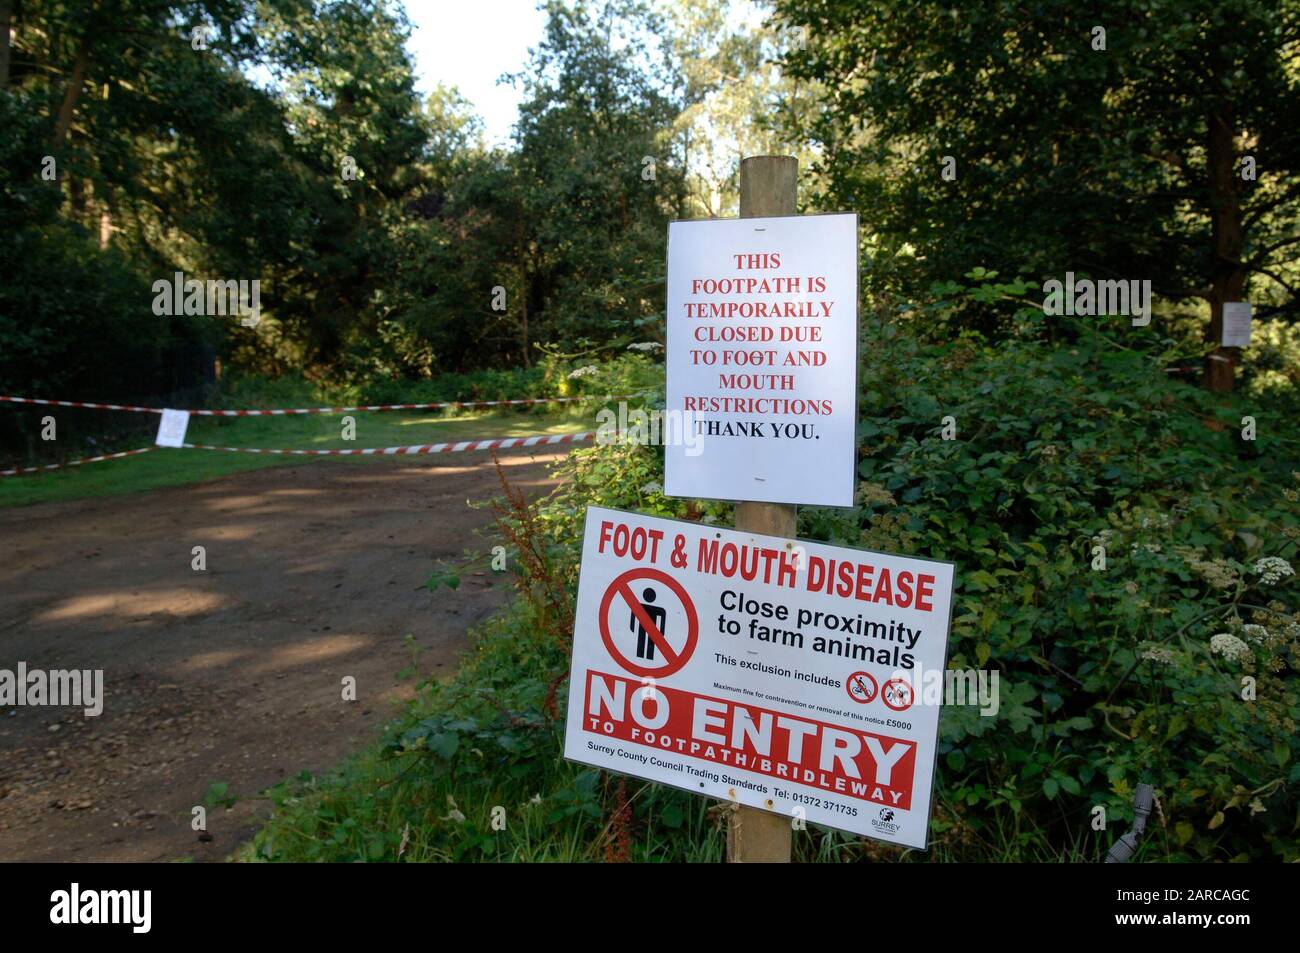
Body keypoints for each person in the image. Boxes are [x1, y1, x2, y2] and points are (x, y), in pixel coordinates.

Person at [630, 587, 666, 660]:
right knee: (643, 642)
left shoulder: (657, 609)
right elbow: (633, 614)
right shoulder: (657, 609)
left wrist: (632, 627)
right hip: (646, 629)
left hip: (650, 630)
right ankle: (642, 655)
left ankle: (646, 656)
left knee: (647, 643)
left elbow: (663, 617)